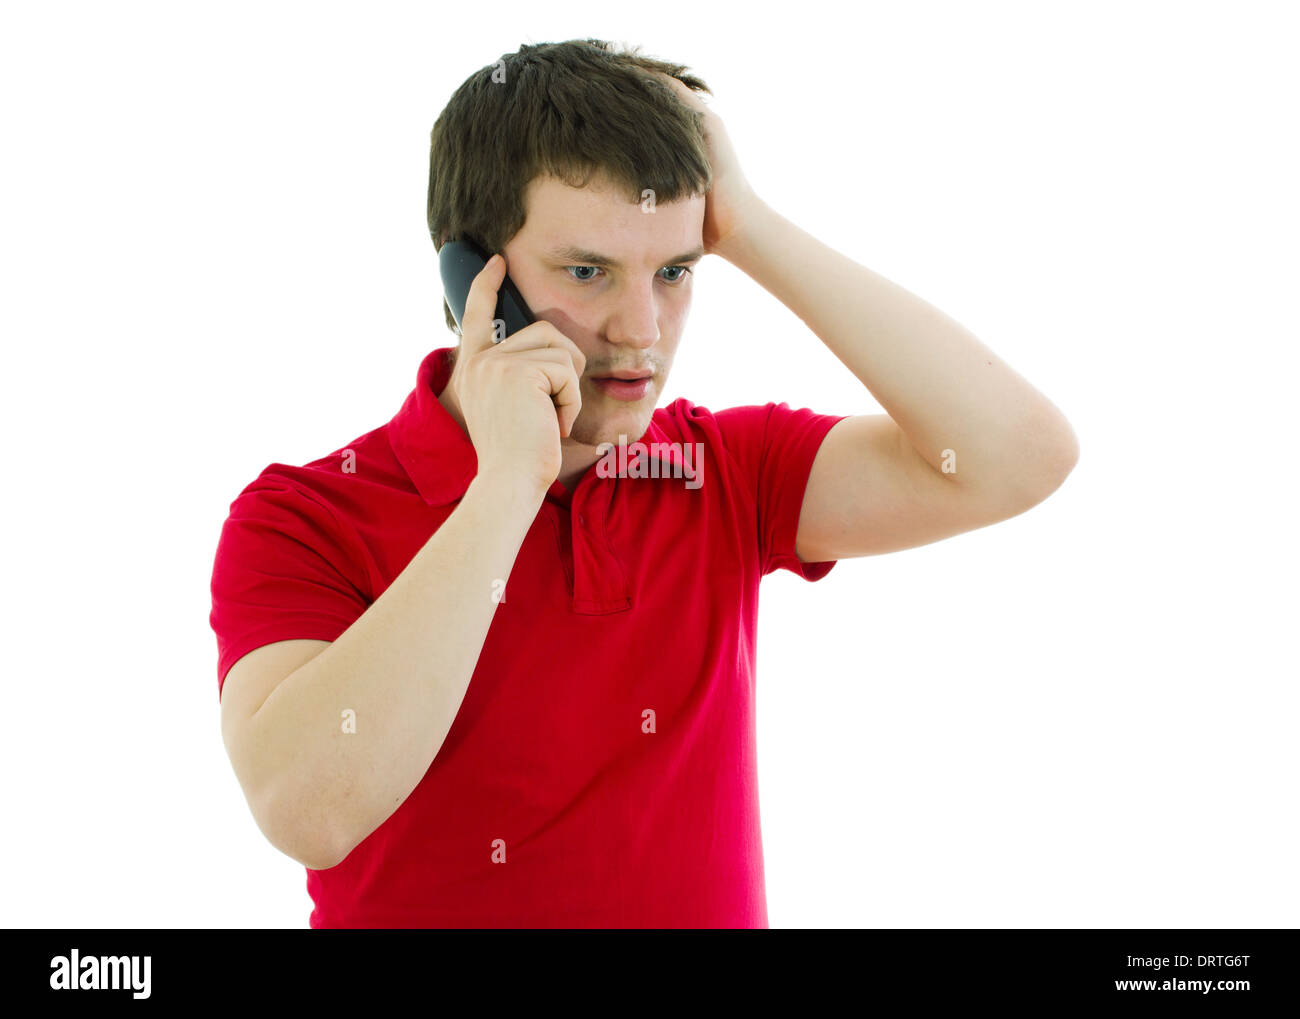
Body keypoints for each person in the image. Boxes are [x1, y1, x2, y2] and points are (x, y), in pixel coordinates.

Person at [209, 38, 1078, 929]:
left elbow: (1016, 457)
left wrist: (749, 226)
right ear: (470, 276)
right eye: (587, 272)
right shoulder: (304, 515)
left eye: (673, 272)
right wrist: (508, 482)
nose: (641, 331)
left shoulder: (722, 470)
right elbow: (308, 808)